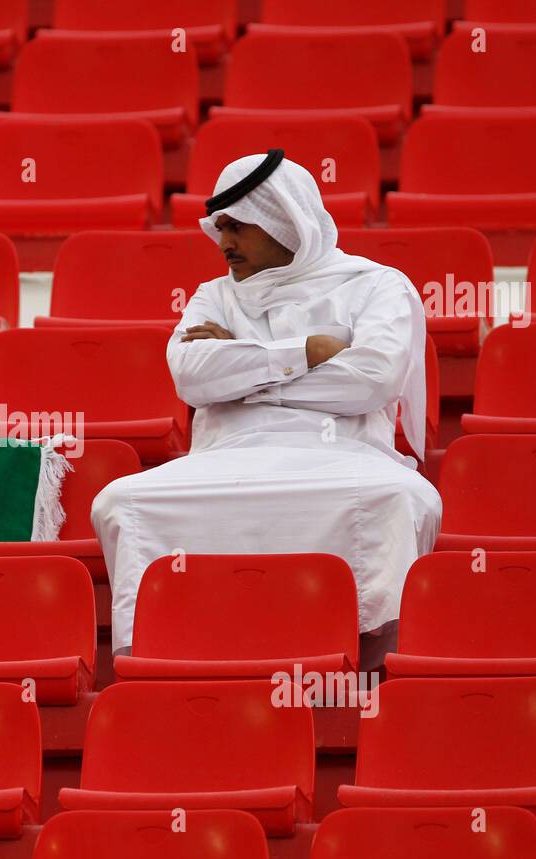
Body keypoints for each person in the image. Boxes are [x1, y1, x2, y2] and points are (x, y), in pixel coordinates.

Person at [91, 151, 442, 666]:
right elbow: (191, 375)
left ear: (284, 220)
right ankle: (161, 658)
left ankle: (372, 667)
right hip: (223, 460)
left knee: (400, 496)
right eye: (220, 228)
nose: (224, 243)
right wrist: (307, 352)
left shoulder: (374, 284)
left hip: (341, 460)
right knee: (118, 501)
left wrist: (242, 375)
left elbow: (372, 380)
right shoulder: (215, 296)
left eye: (237, 227)